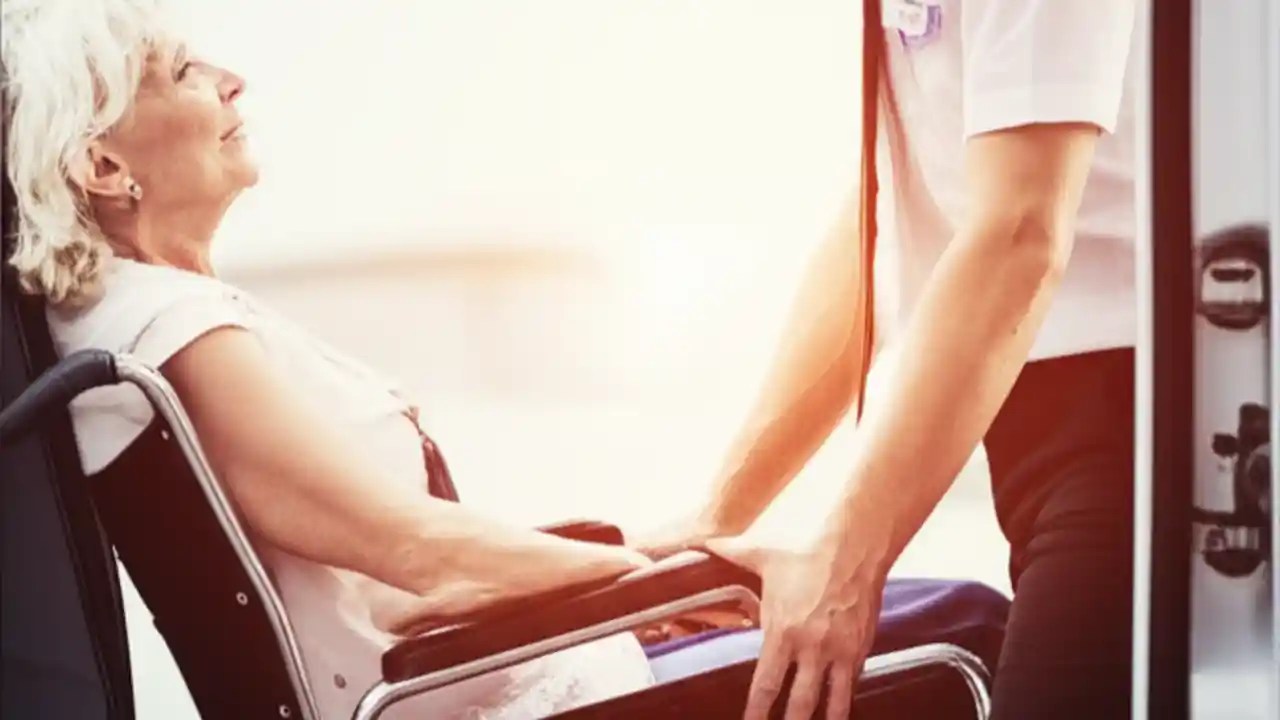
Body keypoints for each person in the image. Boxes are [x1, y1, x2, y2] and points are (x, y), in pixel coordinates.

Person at [2, 1, 1009, 718]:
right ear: (102, 165)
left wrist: (651, 571)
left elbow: (410, 585)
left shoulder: (148, 324)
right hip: (495, 699)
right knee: (964, 623)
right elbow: (417, 552)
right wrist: (691, 579)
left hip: (500, 672)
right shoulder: (173, 335)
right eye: (183, 71)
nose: (232, 78)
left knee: (905, 603)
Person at [640, 1, 1140, 718]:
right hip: (1036, 433)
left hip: (1135, 429)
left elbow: (1021, 233)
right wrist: (720, 517)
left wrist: (847, 558)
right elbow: (882, 228)